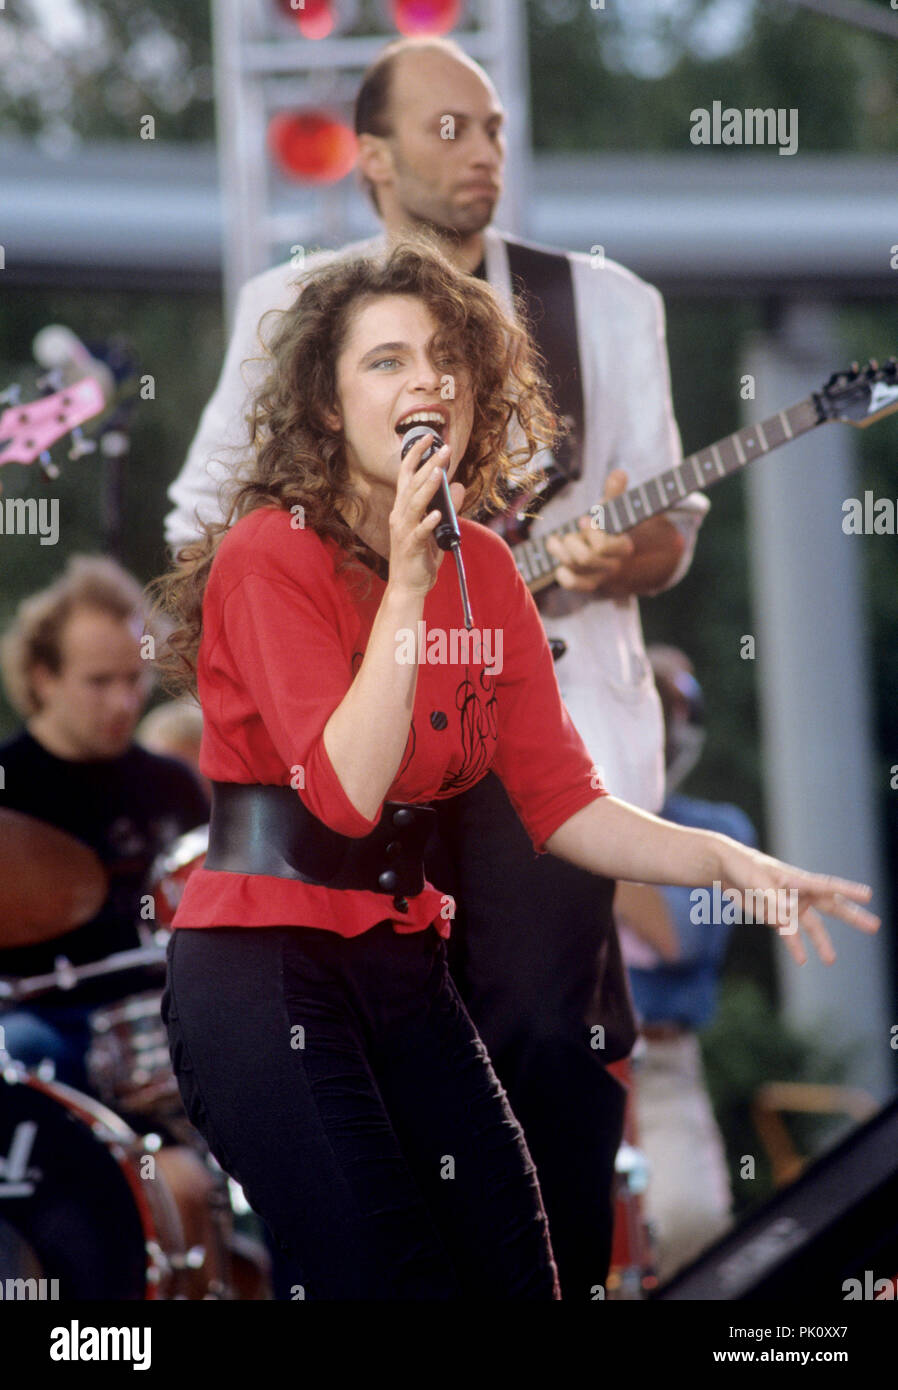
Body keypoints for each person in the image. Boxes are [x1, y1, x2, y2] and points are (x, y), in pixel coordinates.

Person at [153, 240, 878, 1302]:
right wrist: (407, 588)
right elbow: (344, 796)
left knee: (518, 1276)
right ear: (325, 406)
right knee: (392, 1281)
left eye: (445, 359)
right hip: (265, 972)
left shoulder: (483, 567)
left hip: (404, 964)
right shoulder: (273, 553)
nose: (427, 382)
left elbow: (563, 800)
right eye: (387, 362)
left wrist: (723, 860)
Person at [163, 35, 708, 1296]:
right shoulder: (292, 308)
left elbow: (673, 535)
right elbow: (205, 517)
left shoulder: (605, 303)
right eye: (448, 129)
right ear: (371, 159)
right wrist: (320, 620)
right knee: (370, 1053)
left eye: (495, 128)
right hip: (352, 751)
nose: (482, 154)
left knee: (543, 1031)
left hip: (531, 726)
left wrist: (625, 553)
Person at [0, 556, 209, 1093]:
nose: (123, 701)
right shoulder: (10, 783)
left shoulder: (175, 784)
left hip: (168, 1017)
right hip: (47, 1022)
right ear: (43, 677)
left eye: (134, 679)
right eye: (98, 682)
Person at [615, 645, 754, 1280]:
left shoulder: (720, 831)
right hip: (568, 1060)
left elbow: (678, 938)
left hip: (662, 1068)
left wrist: (584, 825)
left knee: (691, 1229)